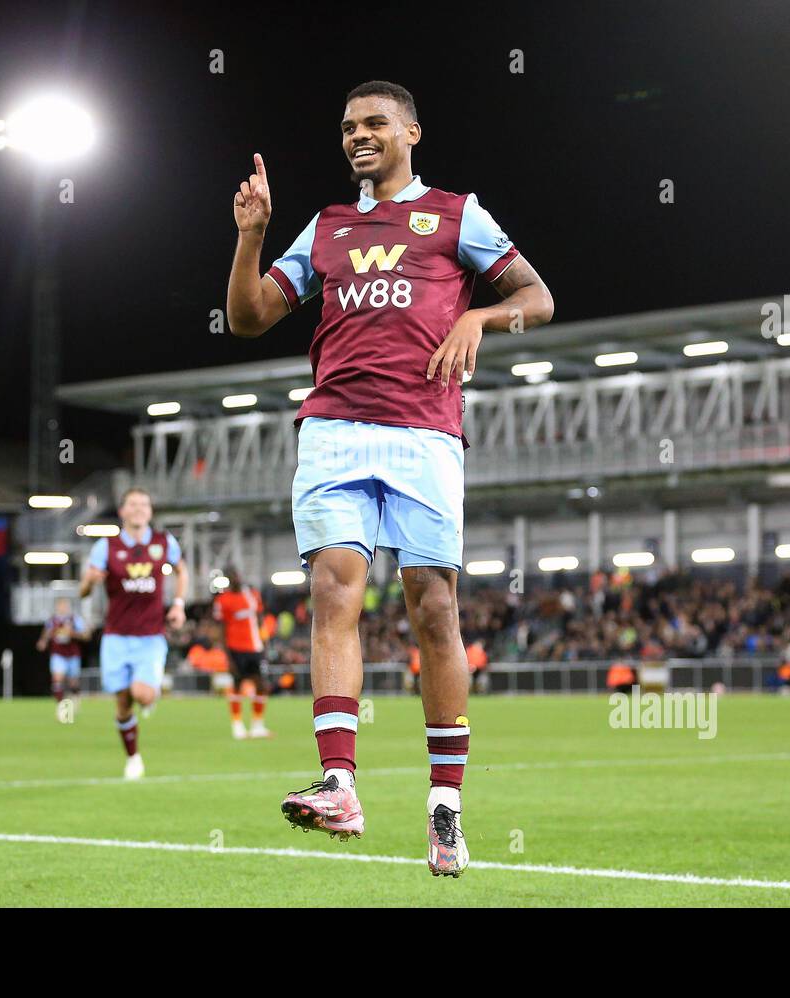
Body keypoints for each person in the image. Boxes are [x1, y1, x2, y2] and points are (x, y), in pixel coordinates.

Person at [226, 80, 553, 876]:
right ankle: (340, 782)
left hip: (423, 435)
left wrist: (477, 316)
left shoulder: (456, 214)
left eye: (374, 123)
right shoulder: (328, 227)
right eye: (347, 128)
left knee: (433, 611)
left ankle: (446, 810)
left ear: (411, 129)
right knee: (336, 590)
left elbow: (538, 300)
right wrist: (252, 236)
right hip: (333, 431)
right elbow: (248, 317)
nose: (358, 136)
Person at [80, 487, 188, 779]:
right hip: (116, 636)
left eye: (144, 504)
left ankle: (149, 696)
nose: (139, 508)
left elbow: (182, 571)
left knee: (141, 694)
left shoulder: (164, 541)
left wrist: (178, 605)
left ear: (150, 511)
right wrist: (90, 581)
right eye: (133, 504)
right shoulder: (107, 546)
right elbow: (84, 590)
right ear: (122, 511)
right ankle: (133, 758)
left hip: (151, 636)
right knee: (123, 702)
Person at [212, 570, 272, 739]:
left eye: (236, 575)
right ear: (228, 580)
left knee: (261, 685)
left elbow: (260, 620)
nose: (235, 579)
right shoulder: (223, 600)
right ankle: (237, 725)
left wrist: (265, 643)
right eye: (232, 577)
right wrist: (227, 656)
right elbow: (221, 630)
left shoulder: (253, 595)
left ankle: (257, 725)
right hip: (235, 648)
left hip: (255, 648)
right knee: (237, 685)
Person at [36, 597, 89, 721]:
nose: (63, 608)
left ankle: (75, 700)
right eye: (61, 606)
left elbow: (86, 635)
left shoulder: (74, 619)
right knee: (57, 679)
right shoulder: (52, 620)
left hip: (72, 655)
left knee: (73, 682)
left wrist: (72, 634)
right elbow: (47, 633)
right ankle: (62, 708)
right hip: (58, 654)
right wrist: (43, 641)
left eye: (65, 606)